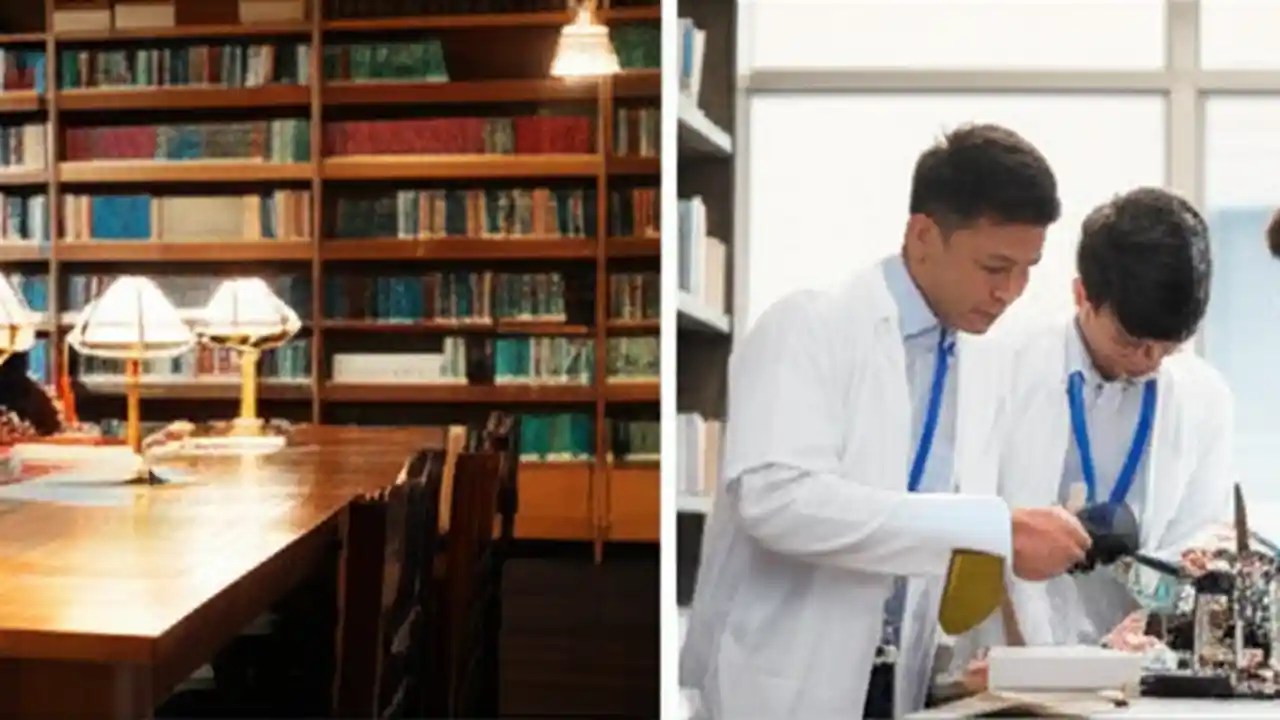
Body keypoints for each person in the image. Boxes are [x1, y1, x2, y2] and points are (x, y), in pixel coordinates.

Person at [678, 123, 1094, 720]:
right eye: (994, 267)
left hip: (904, 681)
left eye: (1027, 269)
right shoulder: (809, 326)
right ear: (923, 235)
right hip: (787, 686)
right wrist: (993, 526)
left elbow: (932, 533)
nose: (1011, 292)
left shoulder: (979, 359)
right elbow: (775, 501)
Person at [951, 187, 1234, 677]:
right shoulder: (1000, 363)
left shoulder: (1203, 396)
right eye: (1130, 341)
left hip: (1135, 667)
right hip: (1003, 661)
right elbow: (962, 512)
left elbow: (1195, 538)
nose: (1147, 362)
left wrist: (1156, 621)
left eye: (1166, 348)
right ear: (1082, 295)